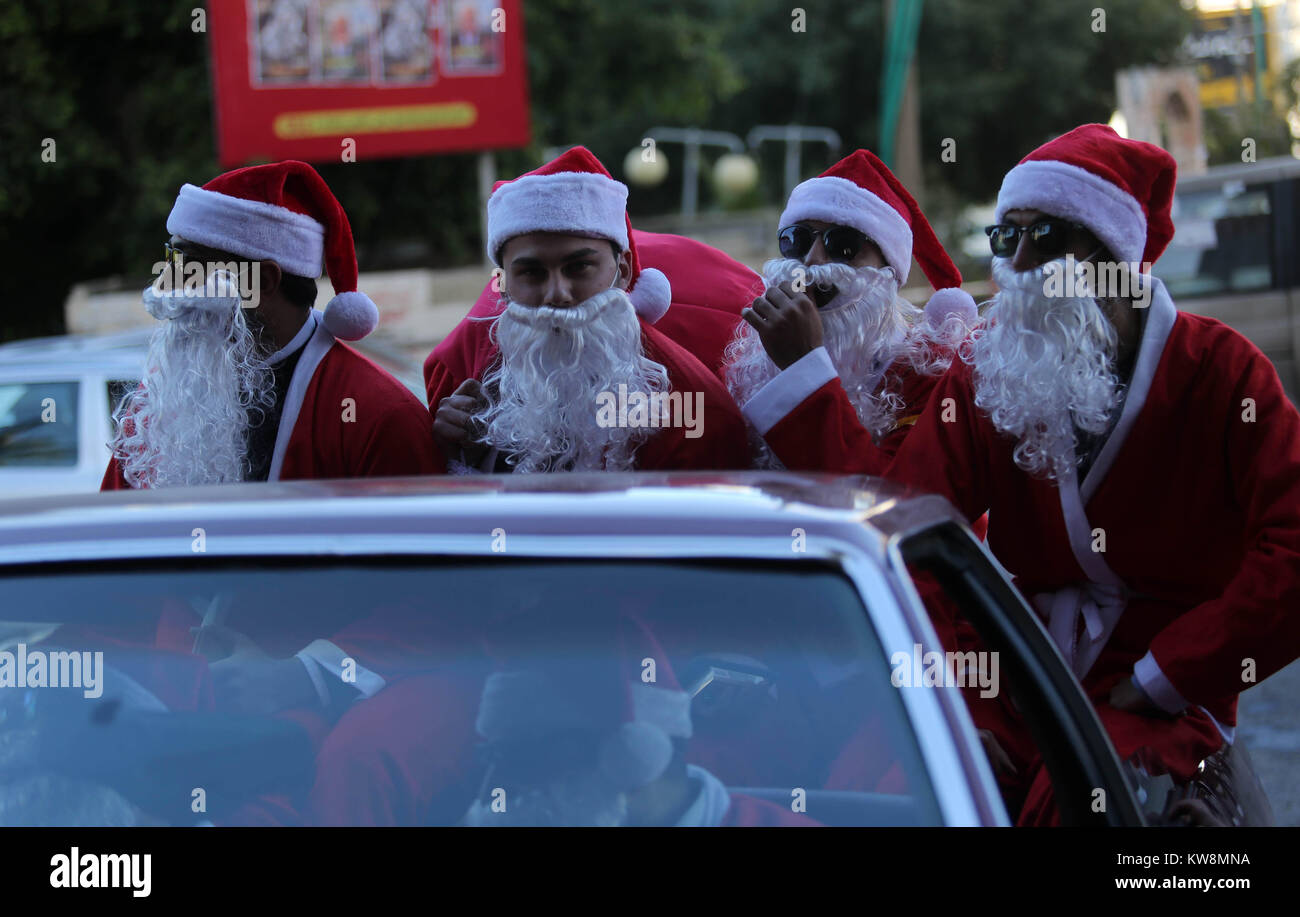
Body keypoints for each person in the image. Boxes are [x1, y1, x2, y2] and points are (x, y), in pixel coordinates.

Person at [763, 124, 1300, 824]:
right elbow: (910, 527)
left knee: (1080, 797)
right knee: (887, 776)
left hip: (1156, 682)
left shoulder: (1222, 372)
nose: (1017, 261)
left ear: (1115, 258)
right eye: (1004, 238)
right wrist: (954, 697)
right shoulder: (990, 363)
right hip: (1013, 666)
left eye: (1044, 238)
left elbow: (1293, 549)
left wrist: (1168, 673)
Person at [102, 159, 436, 488]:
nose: (167, 284)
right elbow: (112, 534)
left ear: (262, 280)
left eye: (186, 262)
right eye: (169, 258)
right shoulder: (161, 403)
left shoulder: (377, 415)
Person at [427, 146, 750, 474]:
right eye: (532, 273)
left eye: (579, 267)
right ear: (505, 283)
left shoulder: (690, 405)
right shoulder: (486, 385)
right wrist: (459, 453)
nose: (557, 294)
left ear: (622, 270)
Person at [724, 149, 975, 468]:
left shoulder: (931, 375)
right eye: (797, 240)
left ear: (889, 273)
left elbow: (887, 499)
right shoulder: (749, 363)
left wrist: (804, 367)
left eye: (843, 245)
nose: (812, 260)